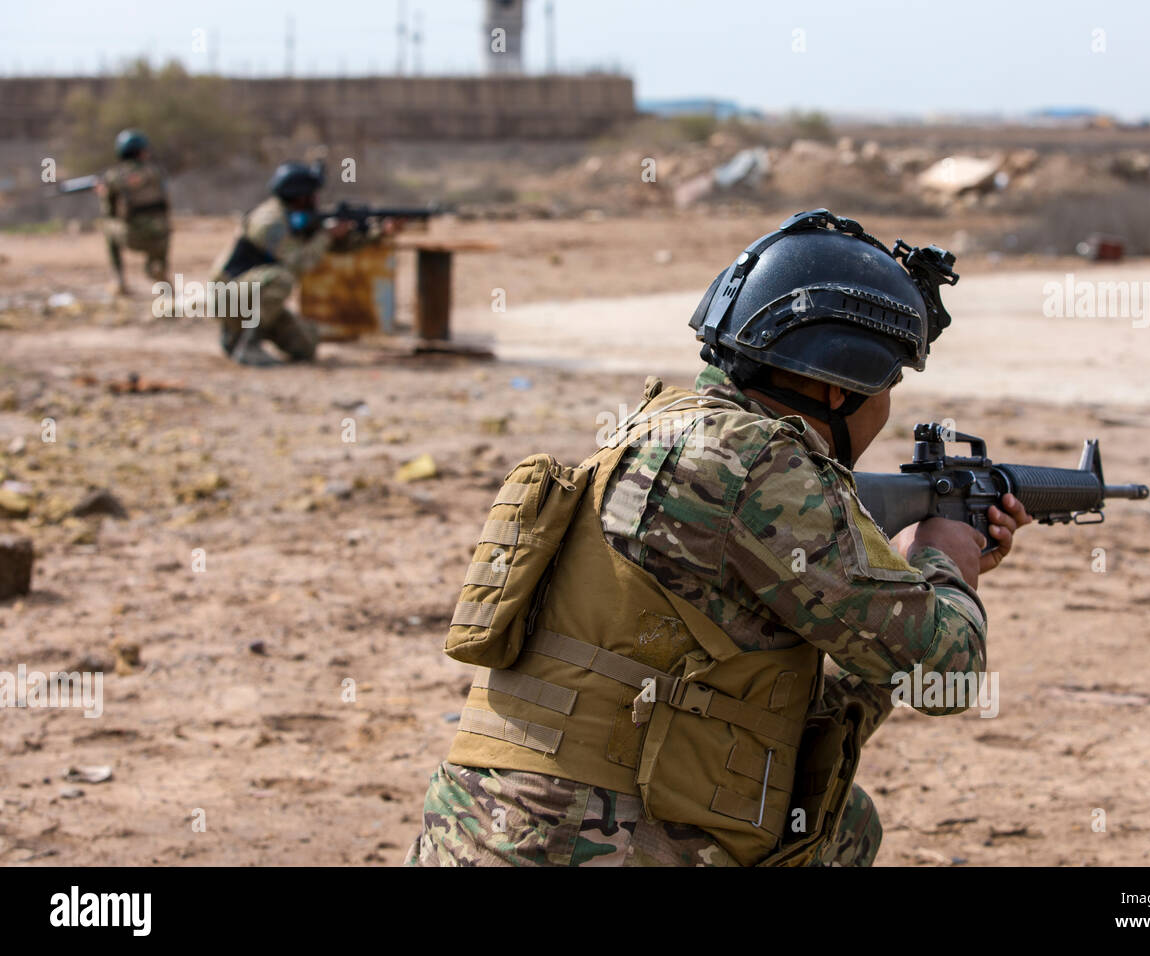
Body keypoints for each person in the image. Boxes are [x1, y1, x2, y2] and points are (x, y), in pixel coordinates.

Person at [406, 209, 1033, 867]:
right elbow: (948, 678)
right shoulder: (764, 469)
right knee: (828, 833)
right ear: (832, 385)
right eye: (887, 386)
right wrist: (947, 560)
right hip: (582, 844)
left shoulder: (654, 432)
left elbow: (775, 711)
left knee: (840, 820)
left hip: (473, 836)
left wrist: (898, 576)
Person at [209, 161, 379, 367]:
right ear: (300, 195)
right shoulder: (269, 221)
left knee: (306, 345)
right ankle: (247, 345)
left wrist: (378, 233)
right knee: (281, 278)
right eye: (313, 194)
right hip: (228, 297)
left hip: (252, 298)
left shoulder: (295, 218)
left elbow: (335, 248)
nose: (317, 199)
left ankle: (235, 337)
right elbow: (299, 263)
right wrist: (326, 236)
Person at [96, 129, 170, 296]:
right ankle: (158, 268)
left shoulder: (114, 176)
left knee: (107, 227)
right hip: (161, 236)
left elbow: (109, 211)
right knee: (161, 228)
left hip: (134, 235)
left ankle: (119, 279)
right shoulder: (156, 173)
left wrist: (103, 193)